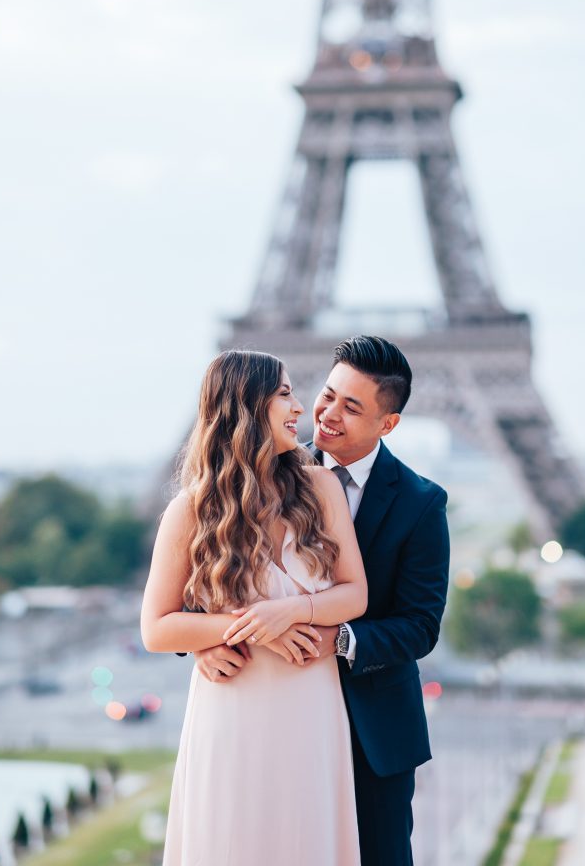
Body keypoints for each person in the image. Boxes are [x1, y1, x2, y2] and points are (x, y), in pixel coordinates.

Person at [193, 336, 450, 866]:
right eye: (328, 395)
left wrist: (338, 639)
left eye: (352, 407)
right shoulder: (266, 478)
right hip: (282, 720)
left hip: (371, 735)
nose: (328, 414)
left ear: (388, 424)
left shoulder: (423, 504)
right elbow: (207, 587)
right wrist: (206, 642)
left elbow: (421, 626)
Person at [140, 349, 368, 866]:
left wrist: (289, 613)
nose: (300, 407)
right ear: (245, 405)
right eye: (285, 393)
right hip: (233, 712)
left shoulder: (321, 488)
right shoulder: (190, 510)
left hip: (310, 708)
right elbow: (156, 629)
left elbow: (355, 594)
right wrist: (253, 629)